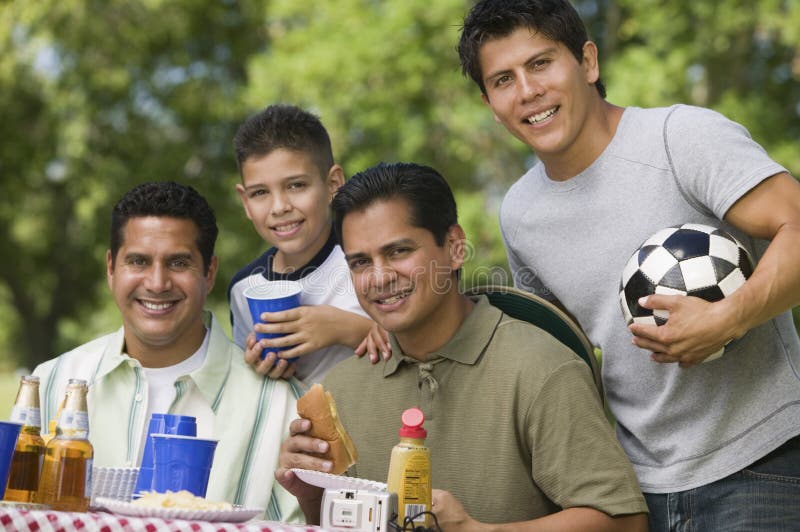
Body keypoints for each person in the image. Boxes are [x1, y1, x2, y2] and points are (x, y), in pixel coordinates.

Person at [457, 1, 800, 529]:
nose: (527, 91)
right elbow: (556, 358)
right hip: (639, 491)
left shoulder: (680, 138)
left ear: (588, 63)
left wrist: (730, 317)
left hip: (763, 464)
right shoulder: (520, 214)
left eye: (541, 63)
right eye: (503, 80)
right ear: (490, 103)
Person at [275, 162, 648, 530]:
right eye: (360, 262)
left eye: (398, 252)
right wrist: (313, 495)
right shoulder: (341, 389)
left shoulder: (542, 368)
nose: (379, 277)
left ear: (454, 247)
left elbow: (625, 522)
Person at [34, 181, 302, 521]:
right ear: (111, 268)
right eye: (138, 261)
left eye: (178, 263)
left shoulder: (281, 407)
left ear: (209, 273)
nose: (157, 283)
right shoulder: (49, 385)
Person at [229, 104, 388, 384]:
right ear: (245, 201)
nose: (279, 207)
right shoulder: (244, 289)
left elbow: (424, 352)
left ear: (333, 184)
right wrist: (257, 369)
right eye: (260, 192)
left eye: (296, 186)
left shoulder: (369, 263)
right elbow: (251, 393)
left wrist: (346, 329)